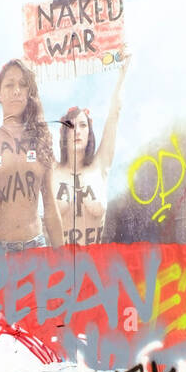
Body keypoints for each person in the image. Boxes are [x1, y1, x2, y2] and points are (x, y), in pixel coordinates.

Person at [0, 58, 64, 253]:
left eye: (22, 85)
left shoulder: (42, 140)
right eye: (9, 85)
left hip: (35, 250)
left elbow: (50, 206)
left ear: (29, 93)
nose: (16, 90)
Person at [54, 50, 130, 246]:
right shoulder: (52, 169)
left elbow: (115, 112)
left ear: (90, 132)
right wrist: (30, 77)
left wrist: (123, 72)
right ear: (63, 133)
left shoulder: (100, 165)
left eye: (83, 125)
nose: (77, 131)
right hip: (57, 269)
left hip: (95, 267)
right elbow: (35, 119)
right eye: (70, 126)